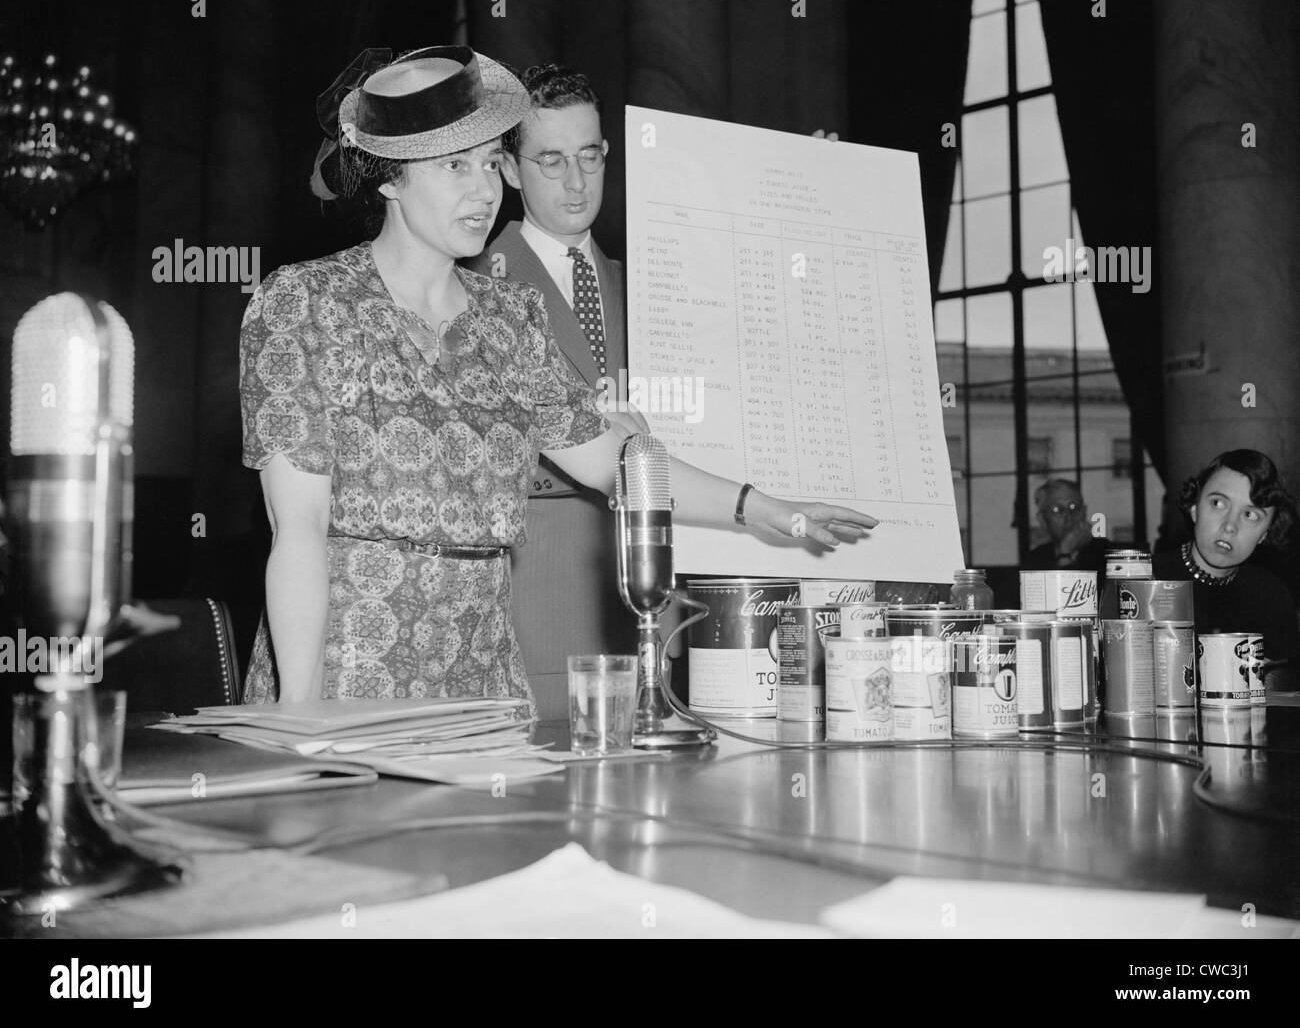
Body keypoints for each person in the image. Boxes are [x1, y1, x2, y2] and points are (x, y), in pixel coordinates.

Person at [237, 45, 877, 712]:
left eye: (489, 162)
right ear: (391, 179)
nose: (484, 190)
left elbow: (616, 465)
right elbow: (300, 527)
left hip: (482, 699)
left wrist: (765, 507)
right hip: (345, 685)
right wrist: (299, 712)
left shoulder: (510, 318)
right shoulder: (305, 305)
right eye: (455, 165)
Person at [463, 65, 641, 718]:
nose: (575, 182)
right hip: (529, 610)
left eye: (589, 156)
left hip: (643, 617)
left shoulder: (649, 286)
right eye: (551, 160)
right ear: (509, 170)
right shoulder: (474, 287)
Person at [1152, 449, 1299, 690]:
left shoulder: (1271, 597)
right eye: (1218, 503)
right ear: (1194, 507)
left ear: (1265, 533)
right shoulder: (1143, 581)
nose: (1230, 526)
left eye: (1250, 514)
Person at [1023, 477, 1110, 572]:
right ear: (1042, 519)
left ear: (1083, 512)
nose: (1068, 516)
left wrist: (1065, 555)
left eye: (1073, 507)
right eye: (1057, 510)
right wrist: (1065, 552)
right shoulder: (1034, 560)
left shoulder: (1107, 554)